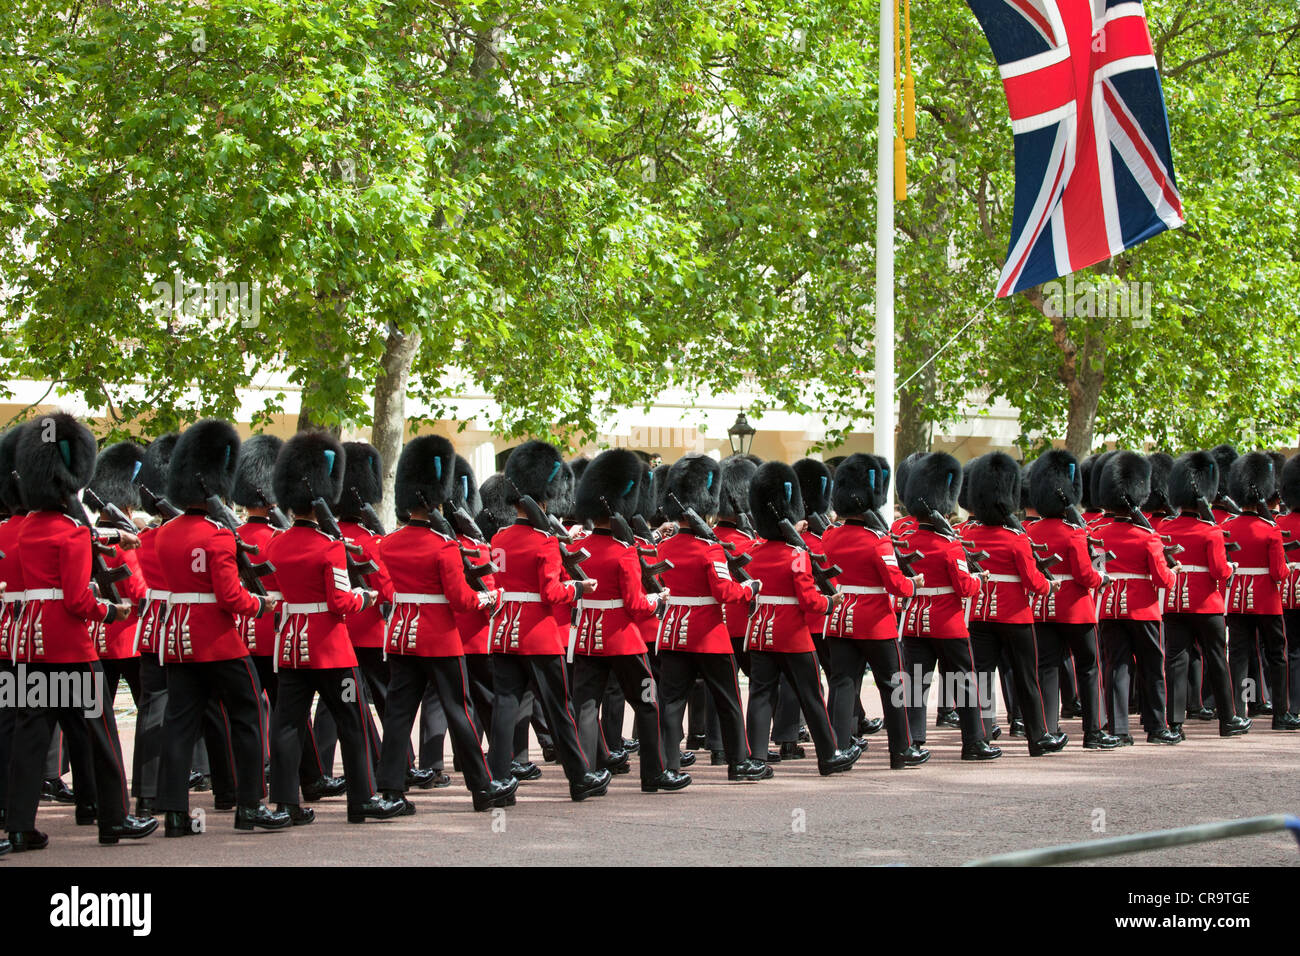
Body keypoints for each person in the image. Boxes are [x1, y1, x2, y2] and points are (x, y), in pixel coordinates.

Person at [6, 413, 157, 851]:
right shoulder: (70, 533)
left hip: (29, 647)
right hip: (71, 650)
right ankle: (114, 820)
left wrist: (110, 539)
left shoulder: (18, 530)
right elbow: (77, 600)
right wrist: (113, 611)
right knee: (104, 736)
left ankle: (19, 827)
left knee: (30, 742)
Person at [152, 419, 289, 836]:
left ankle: (174, 813)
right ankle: (250, 805)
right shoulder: (218, 537)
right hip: (218, 641)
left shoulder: (164, 533)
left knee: (179, 722)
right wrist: (261, 604)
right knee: (250, 714)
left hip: (178, 640)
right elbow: (231, 598)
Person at [263, 431, 402, 824]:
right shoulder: (329, 547)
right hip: (330, 650)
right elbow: (341, 603)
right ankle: (361, 800)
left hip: (290, 647)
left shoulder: (276, 544)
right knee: (353, 721)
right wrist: (367, 599)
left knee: (288, 724)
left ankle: (286, 803)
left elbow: (273, 592)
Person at [375, 435, 517, 811]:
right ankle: (482, 787)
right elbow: (461, 600)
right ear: (437, 498)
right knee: (459, 711)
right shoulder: (444, 547)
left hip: (402, 637)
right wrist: (489, 597)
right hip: (439, 639)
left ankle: (390, 790)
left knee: (398, 713)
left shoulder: (387, 544)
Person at [488, 440, 611, 802]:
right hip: (538, 636)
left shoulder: (499, 537)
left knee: (505, 708)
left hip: (505, 631)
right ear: (546, 495)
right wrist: (579, 588)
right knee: (560, 709)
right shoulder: (543, 542)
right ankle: (579, 777)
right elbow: (552, 594)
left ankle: (497, 781)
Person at [567, 449, 689, 792]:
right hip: (623, 641)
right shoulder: (625, 552)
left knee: (587, 708)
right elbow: (635, 606)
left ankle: (585, 777)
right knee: (648, 704)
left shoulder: (580, 547)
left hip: (588, 639)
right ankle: (654, 774)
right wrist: (657, 600)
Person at [656, 453, 771, 781]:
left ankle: (669, 767)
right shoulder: (709, 549)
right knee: (728, 700)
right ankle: (738, 763)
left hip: (673, 632)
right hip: (707, 634)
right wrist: (750, 590)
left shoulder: (665, 547)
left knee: (672, 703)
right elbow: (724, 592)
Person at [822, 454, 927, 768]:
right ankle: (901, 749)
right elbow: (896, 584)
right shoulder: (877, 541)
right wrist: (914, 584)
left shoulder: (829, 536)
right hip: (875, 623)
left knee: (842, 684)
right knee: (893, 684)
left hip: (841, 620)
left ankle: (838, 749)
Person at [898, 453, 1001, 761]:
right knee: (965, 681)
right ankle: (973, 741)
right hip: (947, 623)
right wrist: (980, 579)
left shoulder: (905, 539)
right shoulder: (949, 544)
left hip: (915, 620)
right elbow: (964, 587)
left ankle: (912, 741)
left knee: (913, 684)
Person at [962, 453, 1063, 756]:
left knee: (978, 678)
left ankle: (976, 739)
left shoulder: (965, 534)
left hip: (979, 615)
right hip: (1016, 618)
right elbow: (1033, 582)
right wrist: (1050, 586)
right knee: (1026, 678)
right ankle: (1038, 736)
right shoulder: (1017, 539)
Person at [1024, 450, 1120, 748]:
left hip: (1044, 609)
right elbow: (1084, 575)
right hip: (1076, 610)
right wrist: (1103, 579)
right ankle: (1094, 732)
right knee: (1089, 668)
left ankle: (1048, 730)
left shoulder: (1030, 532)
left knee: (1047, 670)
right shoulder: (1074, 533)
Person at [1159, 451, 1250, 737]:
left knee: (1176, 662)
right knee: (1217, 660)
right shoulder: (1211, 531)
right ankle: (1228, 719)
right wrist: (1232, 567)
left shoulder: (1165, 528)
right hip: (1206, 606)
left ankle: (1174, 723)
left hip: (1174, 604)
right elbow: (1219, 572)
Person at [1093, 452, 1181, 745]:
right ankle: (1157, 728)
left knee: (1116, 666)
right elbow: (1161, 579)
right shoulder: (1148, 537)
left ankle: (1118, 730)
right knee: (1152, 668)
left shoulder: (1097, 533)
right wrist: (1173, 571)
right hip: (1142, 609)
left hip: (1108, 608)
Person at [1223, 452, 1297, 730]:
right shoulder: (1270, 530)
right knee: (1276, 655)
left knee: (1240, 656)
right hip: (1266, 600)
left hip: (1237, 602)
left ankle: (1241, 709)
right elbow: (1279, 572)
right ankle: (1281, 713)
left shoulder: (1227, 527)